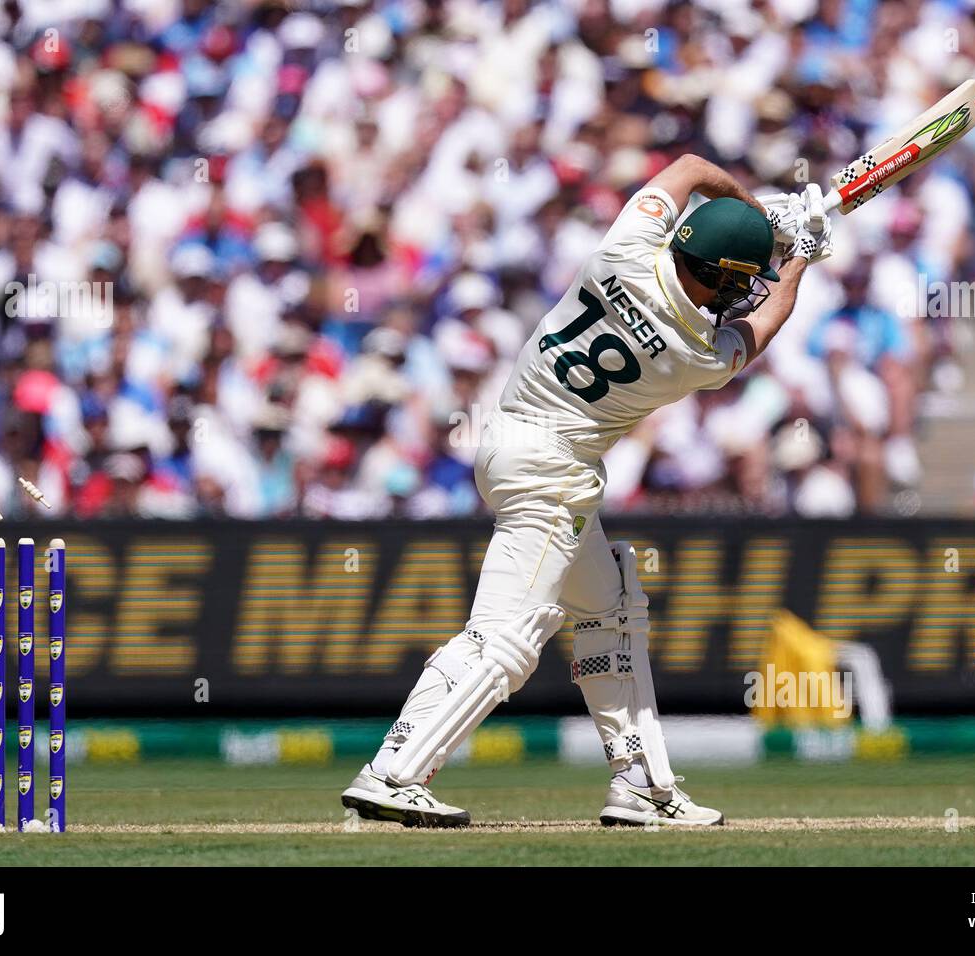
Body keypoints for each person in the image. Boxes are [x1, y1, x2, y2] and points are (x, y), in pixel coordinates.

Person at [341, 155, 831, 827]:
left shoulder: (623, 249)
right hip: (553, 473)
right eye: (736, 281)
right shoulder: (691, 350)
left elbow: (689, 167)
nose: (739, 294)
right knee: (508, 637)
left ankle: (640, 786)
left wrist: (753, 213)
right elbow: (761, 327)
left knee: (610, 611)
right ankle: (394, 771)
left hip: (507, 438)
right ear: (719, 276)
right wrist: (798, 252)